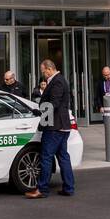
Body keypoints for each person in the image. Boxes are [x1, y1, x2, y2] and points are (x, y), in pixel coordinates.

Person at [25, 58, 74, 199]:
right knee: (63, 157)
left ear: (49, 69)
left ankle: (42, 189)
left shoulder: (57, 81)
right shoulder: (59, 80)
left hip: (55, 127)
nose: (43, 74)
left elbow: (54, 103)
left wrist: (40, 112)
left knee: (46, 157)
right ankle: (69, 188)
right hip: (62, 126)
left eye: (43, 71)